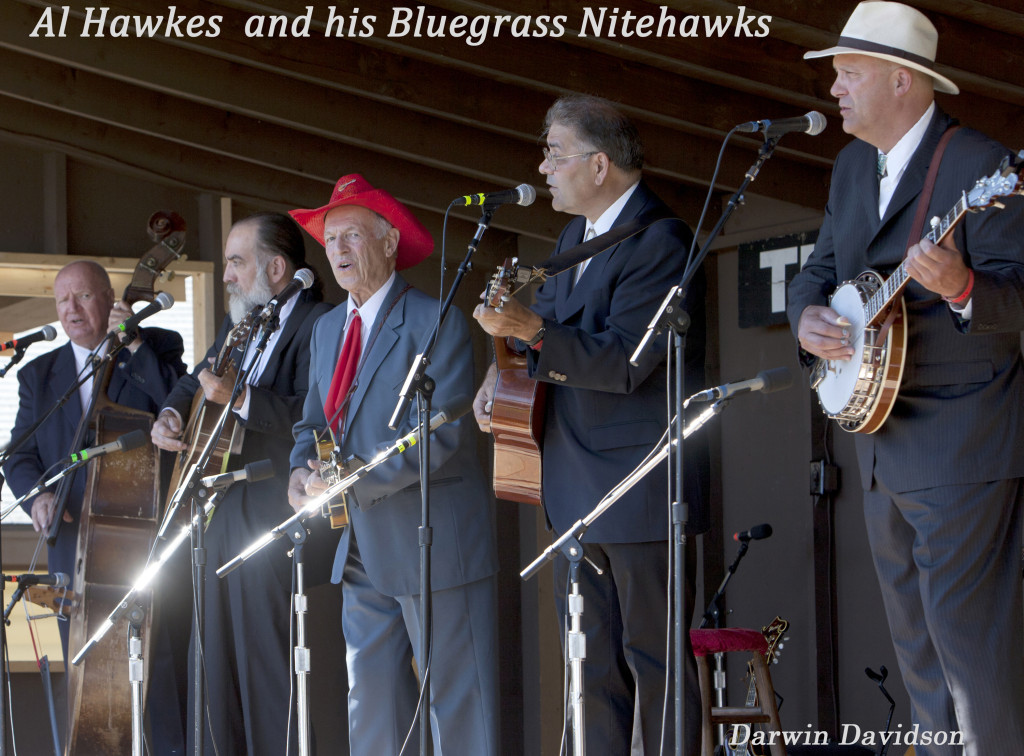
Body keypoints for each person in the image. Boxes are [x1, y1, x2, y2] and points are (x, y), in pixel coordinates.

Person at [787, 3, 1024, 754]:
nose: (835, 89)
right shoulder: (853, 166)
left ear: (902, 81)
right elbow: (821, 271)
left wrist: (960, 287)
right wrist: (805, 319)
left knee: (965, 650)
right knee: (916, 649)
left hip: (963, 440)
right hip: (881, 440)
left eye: (848, 74)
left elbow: (1016, 296)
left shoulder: (982, 167)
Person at [472, 94, 708, 754]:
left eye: (554, 151)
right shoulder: (574, 238)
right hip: (572, 485)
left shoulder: (661, 241)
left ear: (599, 164)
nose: (542, 166)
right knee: (587, 666)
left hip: (640, 485)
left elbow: (631, 362)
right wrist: (502, 367)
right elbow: (541, 341)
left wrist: (533, 331)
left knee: (655, 664)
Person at [287, 174, 499, 756]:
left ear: (388, 242)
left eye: (352, 236)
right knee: (371, 706)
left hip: (436, 545)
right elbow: (311, 423)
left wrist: (347, 477)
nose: (339, 251)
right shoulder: (327, 327)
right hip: (360, 547)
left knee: (459, 708)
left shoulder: (438, 321)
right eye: (331, 241)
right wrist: (301, 471)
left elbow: (439, 435)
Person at [151, 212, 332, 756]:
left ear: (277, 267)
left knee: (266, 668)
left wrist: (240, 399)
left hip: (272, 513)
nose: (227, 274)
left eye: (236, 261)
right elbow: (192, 380)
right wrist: (170, 414)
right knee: (212, 667)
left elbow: (315, 413)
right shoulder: (244, 326)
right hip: (220, 512)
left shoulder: (318, 323)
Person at [2, 258, 187, 752]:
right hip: (75, 557)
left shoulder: (157, 350)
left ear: (109, 299)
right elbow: (19, 455)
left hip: (144, 545)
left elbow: (178, 403)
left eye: (83, 296)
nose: (72, 309)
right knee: (87, 685)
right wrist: (38, 496)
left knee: (160, 678)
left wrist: (132, 344)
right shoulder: (40, 375)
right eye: (63, 300)